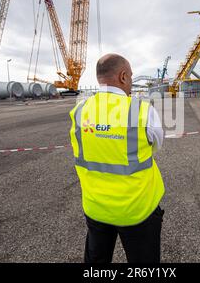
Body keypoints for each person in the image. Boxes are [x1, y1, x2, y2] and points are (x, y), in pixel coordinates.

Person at [69, 53, 165, 263]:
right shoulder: (141, 110)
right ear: (123, 76)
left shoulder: (79, 111)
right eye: (130, 77)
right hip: (137, 209)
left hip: (95, 207)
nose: (131, 82)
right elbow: (156, 146)